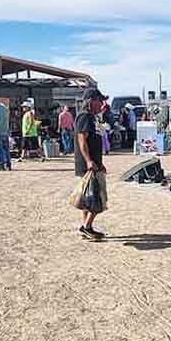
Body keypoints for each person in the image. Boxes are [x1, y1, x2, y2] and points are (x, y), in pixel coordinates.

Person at [74, 87, 107, 241]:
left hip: (94, 163)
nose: (102, 104)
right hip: (89, 164)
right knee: (97, 197)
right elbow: (82, 140)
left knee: (89, 198)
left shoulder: (92, 117)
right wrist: (89, 161)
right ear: (91, 101)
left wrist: (99, 163)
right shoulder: (84, 117)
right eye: (99, 100)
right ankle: (86, 227)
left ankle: (86, 226)